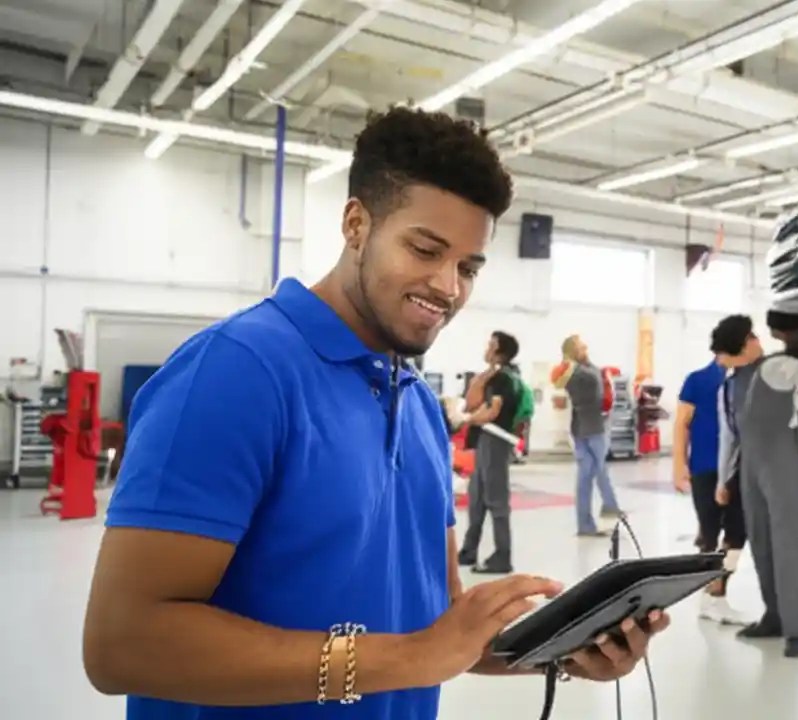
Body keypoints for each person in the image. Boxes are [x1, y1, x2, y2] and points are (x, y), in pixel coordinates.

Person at [81, 107, 668, 720]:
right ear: (356, 224)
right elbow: (123, 644)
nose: (448, 285)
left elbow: (433, 627)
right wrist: (413, 657)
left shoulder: (414, 403)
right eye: (424, 249)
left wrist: (559, 648)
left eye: (468, 267)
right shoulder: (236, 372)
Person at [712, 309, 798, 659]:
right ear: (742, 347)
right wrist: (725, 477)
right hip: (751, 468)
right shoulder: (733, 381)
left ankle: (796, 632)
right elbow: (731, 433)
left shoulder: (774, 368)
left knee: (785, 545)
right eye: (752, 337)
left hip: (781, 465)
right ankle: (773, 616)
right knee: (761, 544)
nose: (759, 340)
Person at [672, 347, 748, 626]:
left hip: (739, 469)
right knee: (709, 533)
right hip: (705, 467)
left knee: (739, 532)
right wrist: (678, 466)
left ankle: (717, 594)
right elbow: (681, 424)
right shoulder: (698, 379)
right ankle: (709, 597)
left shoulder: (747, 382)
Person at [457, 331, 521, 574]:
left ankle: (502, 556)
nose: (487, 348)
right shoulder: (493, 375)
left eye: (491, 345)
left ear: (500, 351)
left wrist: (465, 420)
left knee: (496, 500)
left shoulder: (503, 378)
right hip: (485, 440)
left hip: (496, 440)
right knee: (477, 498)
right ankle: (469, 550)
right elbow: (477, 403)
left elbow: (492, 411)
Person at [553, 334, 622, 537]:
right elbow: (597, 387)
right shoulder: (581, 373)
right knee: (600, 470)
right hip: (594, 427)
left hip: (580, 428)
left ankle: (587, 523)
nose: (586, 351)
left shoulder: (572, 372)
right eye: (582, 348)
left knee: (586, 476)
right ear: (574, 352)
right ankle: (610, 508)